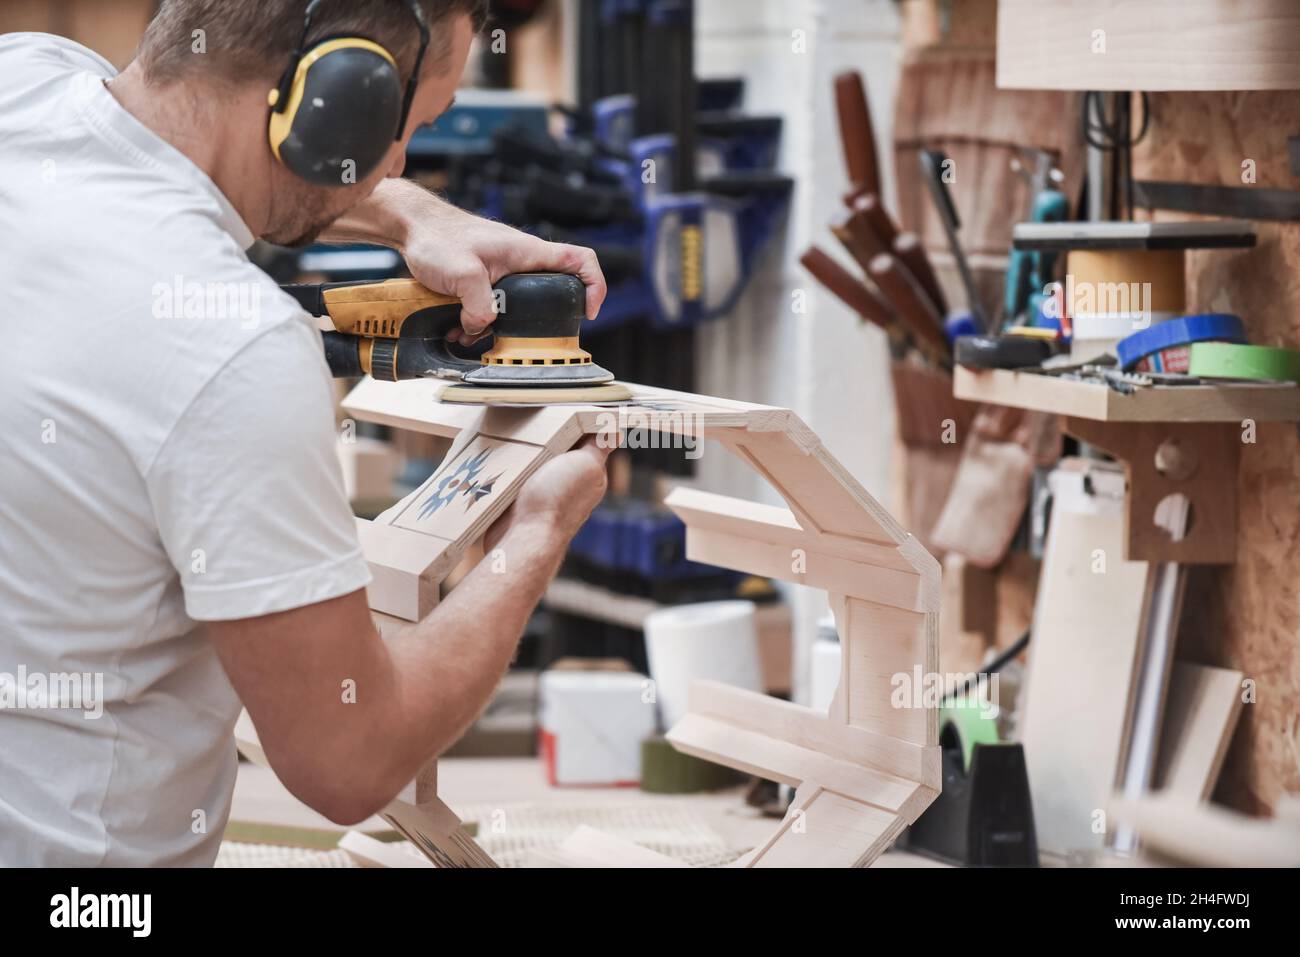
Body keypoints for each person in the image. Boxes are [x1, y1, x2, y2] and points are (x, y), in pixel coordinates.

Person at [0, 0, 612, 866]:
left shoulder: (23, 81)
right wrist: (533, 536)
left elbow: (193, 150)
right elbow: (347, 759)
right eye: (404, 130)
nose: (398, 163)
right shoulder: (235, 354)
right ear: (341, 99)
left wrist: (411, 216)